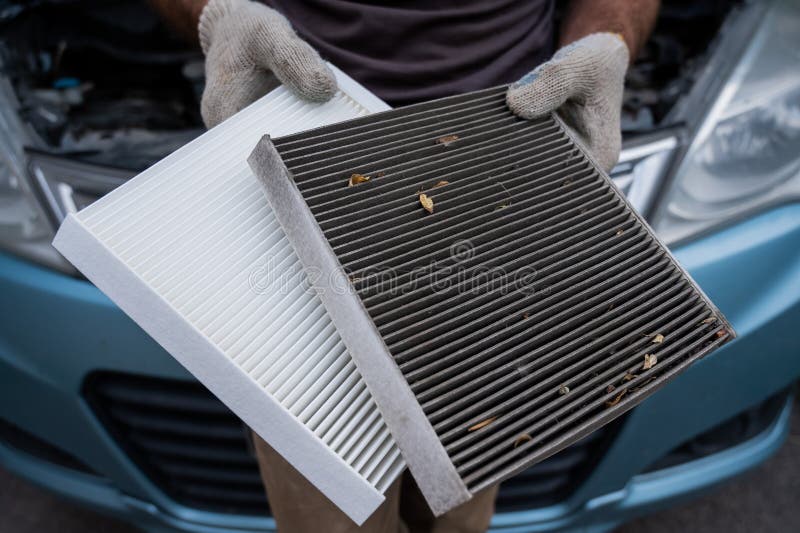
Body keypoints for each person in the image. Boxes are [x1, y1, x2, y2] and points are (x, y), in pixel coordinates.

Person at [149, 1, 660, 531]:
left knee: (461, 504)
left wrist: (608, 37)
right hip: (303, 165)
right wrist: (215, 14)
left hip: (501, 175)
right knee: (333, 514)